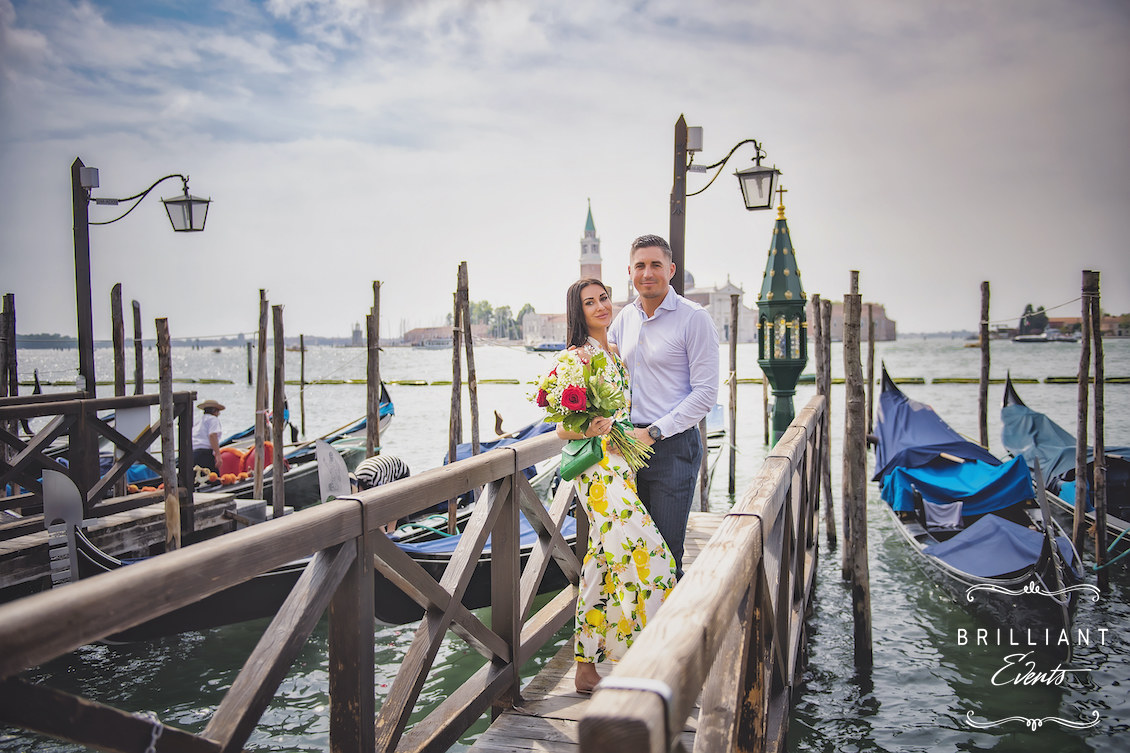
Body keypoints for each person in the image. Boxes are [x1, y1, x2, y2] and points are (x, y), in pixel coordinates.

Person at [555, 278, 677, 695]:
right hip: (600, 475)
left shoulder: (613, 355)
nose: (601, 306)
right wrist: (587, 426)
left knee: (601, 566)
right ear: (579, 311)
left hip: (623, 467)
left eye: (604, 298)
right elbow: (560, 428)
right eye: (590, 302)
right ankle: (646, 660)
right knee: (652, 559)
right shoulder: (577, 357)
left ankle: (586, 669)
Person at [608, 234, 719, 579]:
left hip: (672, 447)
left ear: (670, 270)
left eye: (656, 264)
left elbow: (705, 394)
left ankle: (669, 631)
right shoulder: (625, 317)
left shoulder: (694, 319)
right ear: (630, 271)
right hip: (627, 446)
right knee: (631, 551)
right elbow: (605, 365)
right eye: (640, 265)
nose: (647, 272)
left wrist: (654, 432)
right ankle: (638, 631)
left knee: (665, 556)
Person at [351, 454, 411, 534]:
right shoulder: (360, 483)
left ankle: (404, 531)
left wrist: (389, 532)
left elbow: (392, 500)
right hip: (378, 470)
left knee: (400, 508)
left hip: (399, 470)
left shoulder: (374, 477)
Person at [191, 399, 225, 472]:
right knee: (214, 479)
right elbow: (212, 435)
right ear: (214, 411)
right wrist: (218, 455)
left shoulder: (199, 421)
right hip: (205, 453)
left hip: (193, 452)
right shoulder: (213, 419)